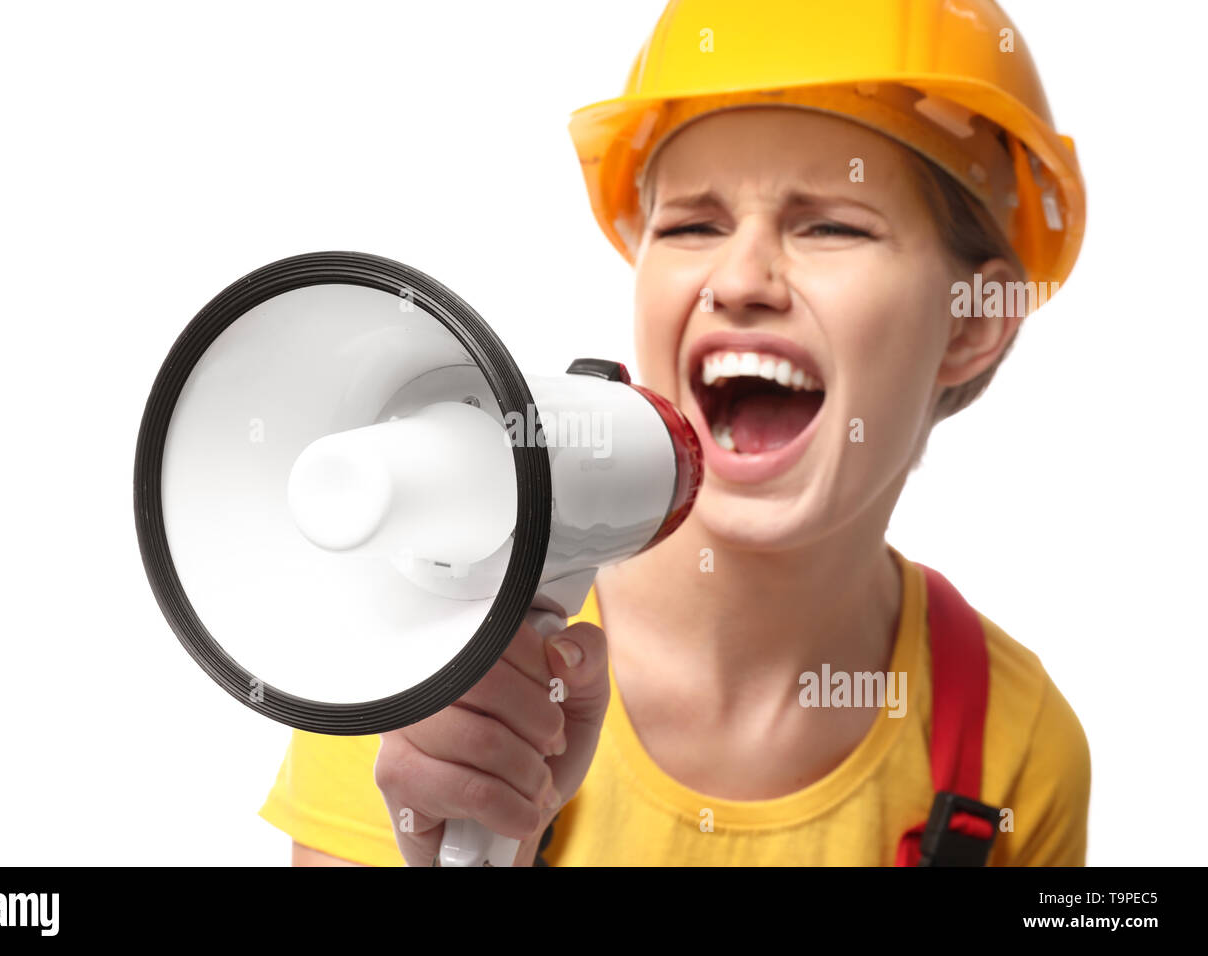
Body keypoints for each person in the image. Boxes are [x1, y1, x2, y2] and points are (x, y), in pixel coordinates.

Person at [259, 0, 1090, 866]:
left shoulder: (1014, 750)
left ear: (970, 324)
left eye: (833, 225)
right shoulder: (419, 647)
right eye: (694, 225)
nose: (737, 278)